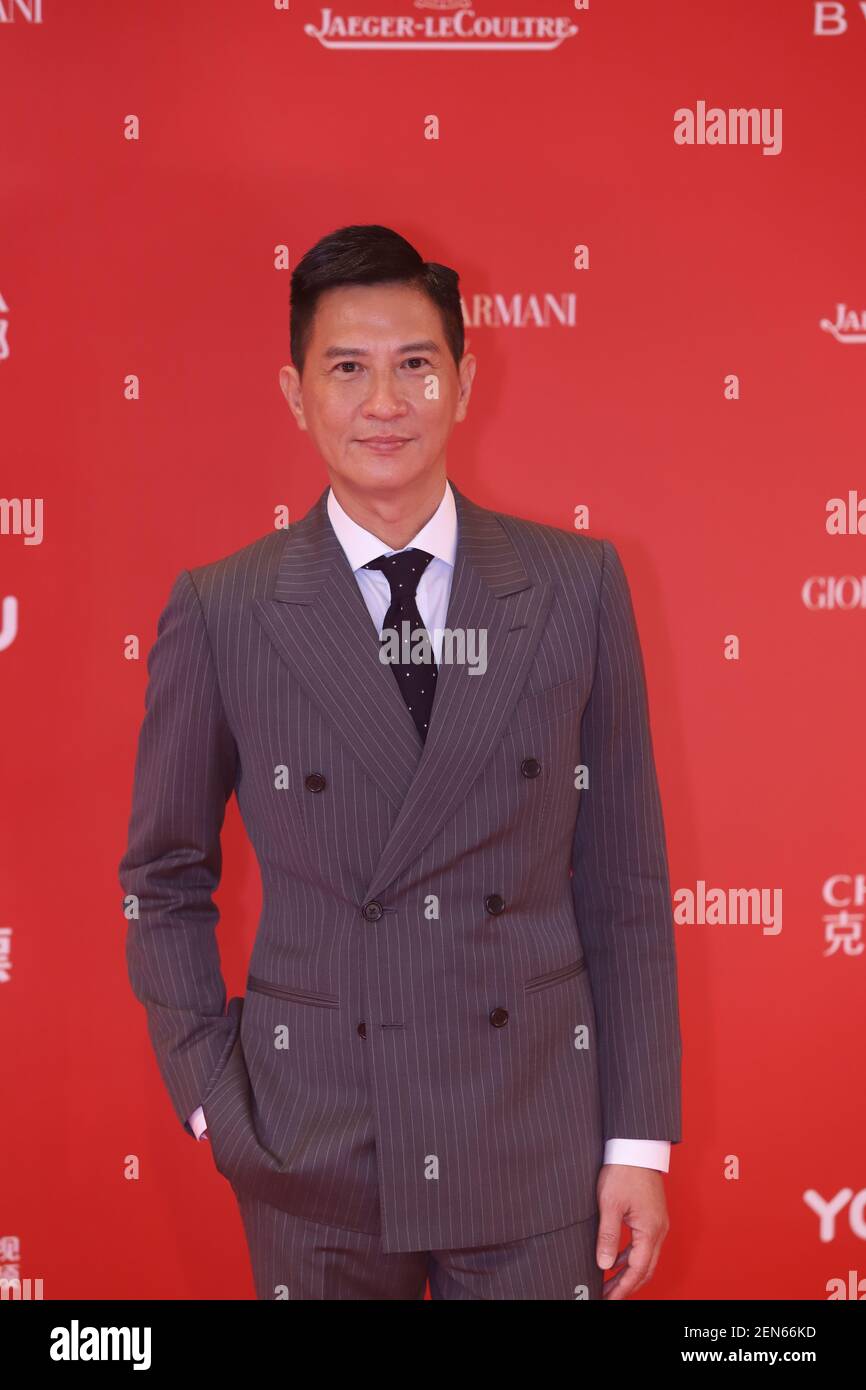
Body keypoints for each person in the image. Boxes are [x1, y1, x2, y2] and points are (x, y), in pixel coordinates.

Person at [119, 223, 682, 1301]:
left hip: (531, 1140)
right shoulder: (226, 608)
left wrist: (637, 1145)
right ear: (295, 393)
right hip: (314, 1146)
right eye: (347, 369)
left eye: (414, 365)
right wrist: (212, 1100)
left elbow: (624, 886)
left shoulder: (575, 587)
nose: (384, 402)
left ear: (463, 382)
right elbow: (162, 876)